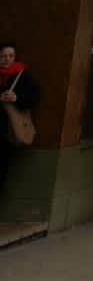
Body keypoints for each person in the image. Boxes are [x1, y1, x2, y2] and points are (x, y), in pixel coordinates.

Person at [0, 40, 40, 195]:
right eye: (3, 56)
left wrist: (16, 97)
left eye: (11, 56)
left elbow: (33, 97)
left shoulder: (22, 76)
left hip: (6, 131)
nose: (7, 59)